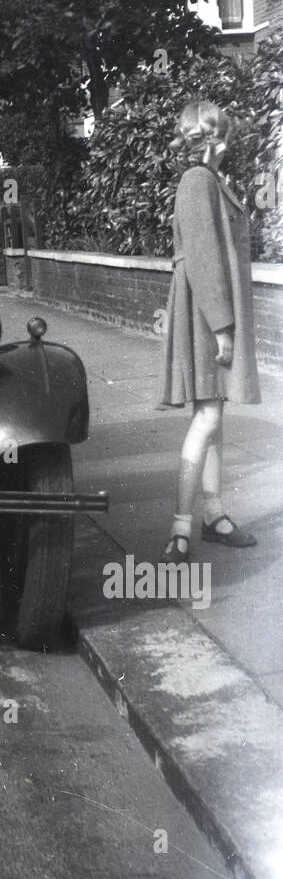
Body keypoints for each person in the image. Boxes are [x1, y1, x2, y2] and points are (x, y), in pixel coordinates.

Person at [159, 99, 260, 562]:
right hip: (206, 311)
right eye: (226, 136)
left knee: (212, 413)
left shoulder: (209, 181)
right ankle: (181, 526)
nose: (230, 144)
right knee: (209, 417)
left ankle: (214, 514)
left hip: (208, 308)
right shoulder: (198, 181)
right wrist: (223, 326)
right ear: (215, 138)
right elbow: (202, 257)